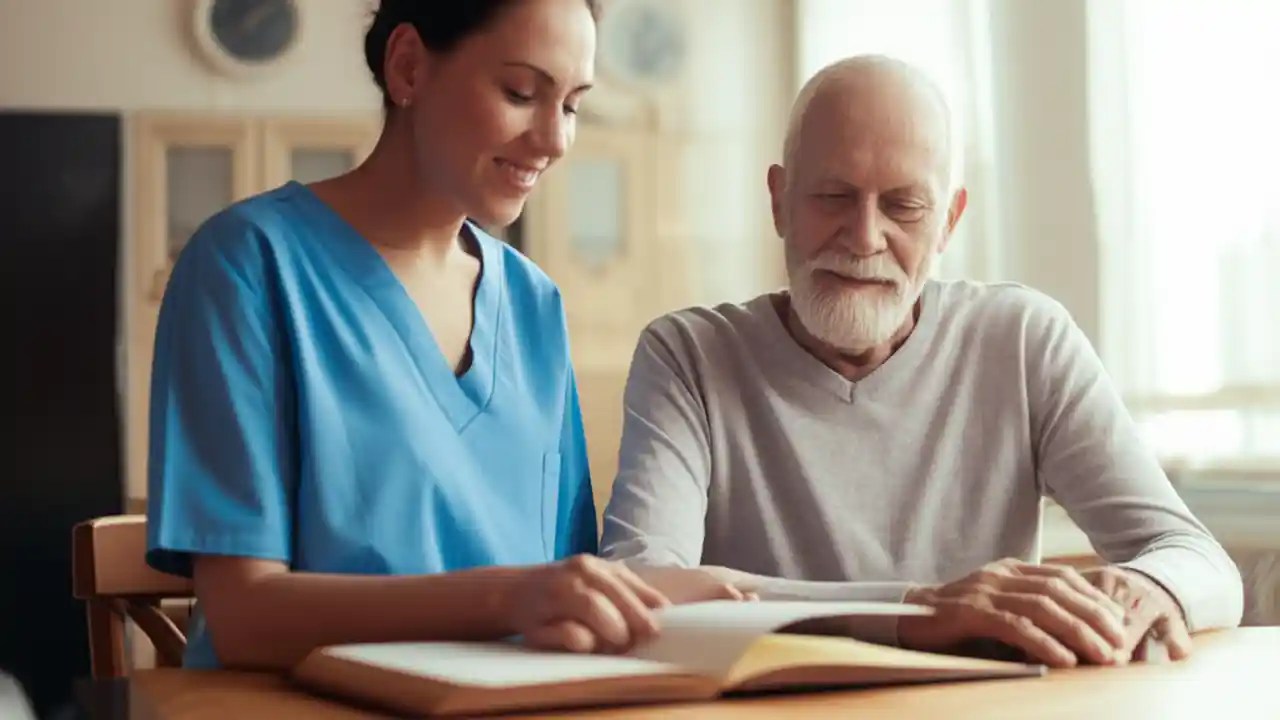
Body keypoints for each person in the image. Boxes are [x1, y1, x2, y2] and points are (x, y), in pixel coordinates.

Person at [145, 0, 740, 672]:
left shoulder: (531, 303)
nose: (554, 139)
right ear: (407, 67)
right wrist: (507, 600)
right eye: (521, 93)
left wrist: (642, 597)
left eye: (572, 105)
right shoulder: (248, 267)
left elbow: (559, 583)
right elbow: (245, 617)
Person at [600, 55, 1244, 669]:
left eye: (904, 206)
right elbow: (643, 591)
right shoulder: (688, 355)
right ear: (779, 201)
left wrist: (1142, 589)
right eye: (833, 196)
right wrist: (919, 610)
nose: (865, 237)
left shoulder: (1023, 340)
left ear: (948, 223)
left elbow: (1199, 561)